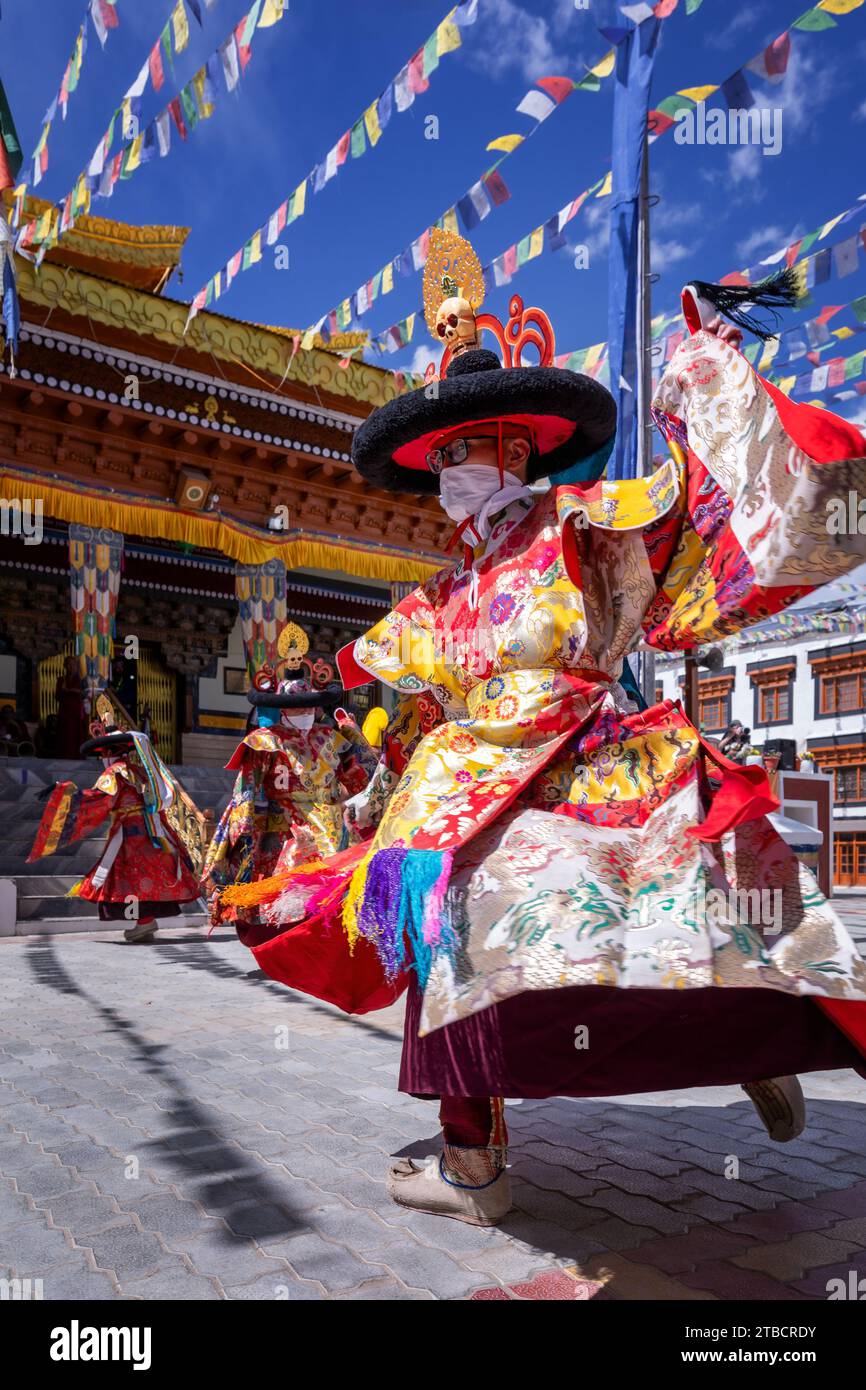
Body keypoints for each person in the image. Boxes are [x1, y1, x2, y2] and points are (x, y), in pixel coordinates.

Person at [221, 231, 866, 1226]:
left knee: (701, 904)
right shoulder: (445, 586)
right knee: (443, 919)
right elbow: (378, 653)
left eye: (456, 454)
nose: (441, 476)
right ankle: (471, 1159)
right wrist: (325, 677)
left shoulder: (588, 521)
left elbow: (710, 516)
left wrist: (706, 373)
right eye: (432, 460)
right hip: (475, 786)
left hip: (596, 765)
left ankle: (760, 1045)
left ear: (513, 450)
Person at [202, 623, 378, 945]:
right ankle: (287, 945)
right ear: (283, 711)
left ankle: (321, 944)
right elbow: (248, 791)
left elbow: (362, 776)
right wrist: (245, 829)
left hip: (331, 826)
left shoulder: (332, 738)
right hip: (282, 830)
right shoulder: (264, 742)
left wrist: (354, 736)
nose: (307, 712)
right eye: (299, 707)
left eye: (311, 706)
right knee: (284, 889)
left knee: (333, 888)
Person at [29, 694, 206, 943]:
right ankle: (143, 921)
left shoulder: (114, 773)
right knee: (146, 876)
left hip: (130, 837)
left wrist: (66, 793)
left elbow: (100, 798)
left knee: (131, 878)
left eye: (103, 754)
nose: (102, 759)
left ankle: (143, 922)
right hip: (149, 831)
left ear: (109, 753)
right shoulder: (135, 770)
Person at [54, 656, 86, 760]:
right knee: (64, 734)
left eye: (72, 664)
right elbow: (57, 697)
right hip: (64, 711)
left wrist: (74, 691)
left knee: (76, 733)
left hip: (76, 712)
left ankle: (77, 755)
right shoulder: (61, 680)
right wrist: (64, 691)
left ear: (77, 666)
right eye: (68, 664)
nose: (70, 667)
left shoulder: (82, 680)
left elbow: (85, 695)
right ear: (65, 666)